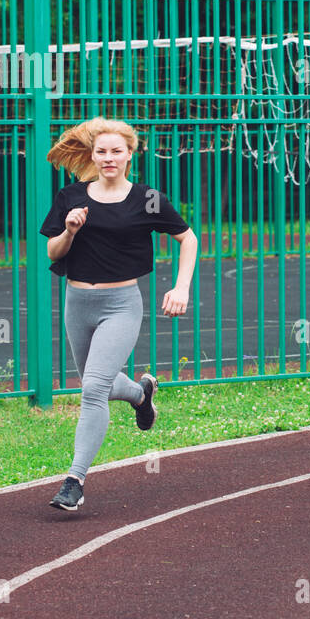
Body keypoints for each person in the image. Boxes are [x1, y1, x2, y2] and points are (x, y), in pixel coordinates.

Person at [40, 118, 198, 511]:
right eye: (101, 151)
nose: (108, 158)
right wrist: (71, 230)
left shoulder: (147, 199)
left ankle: (74, 481)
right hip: (77, 302)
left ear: (130, 154)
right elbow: (53, 253)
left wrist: (181, 288)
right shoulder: (71, 195)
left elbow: (188, 238)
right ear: (92, 155)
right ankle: (140, 393)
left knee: (92, 389)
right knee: (101, 384)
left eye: (116, 151)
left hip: (121, 304)